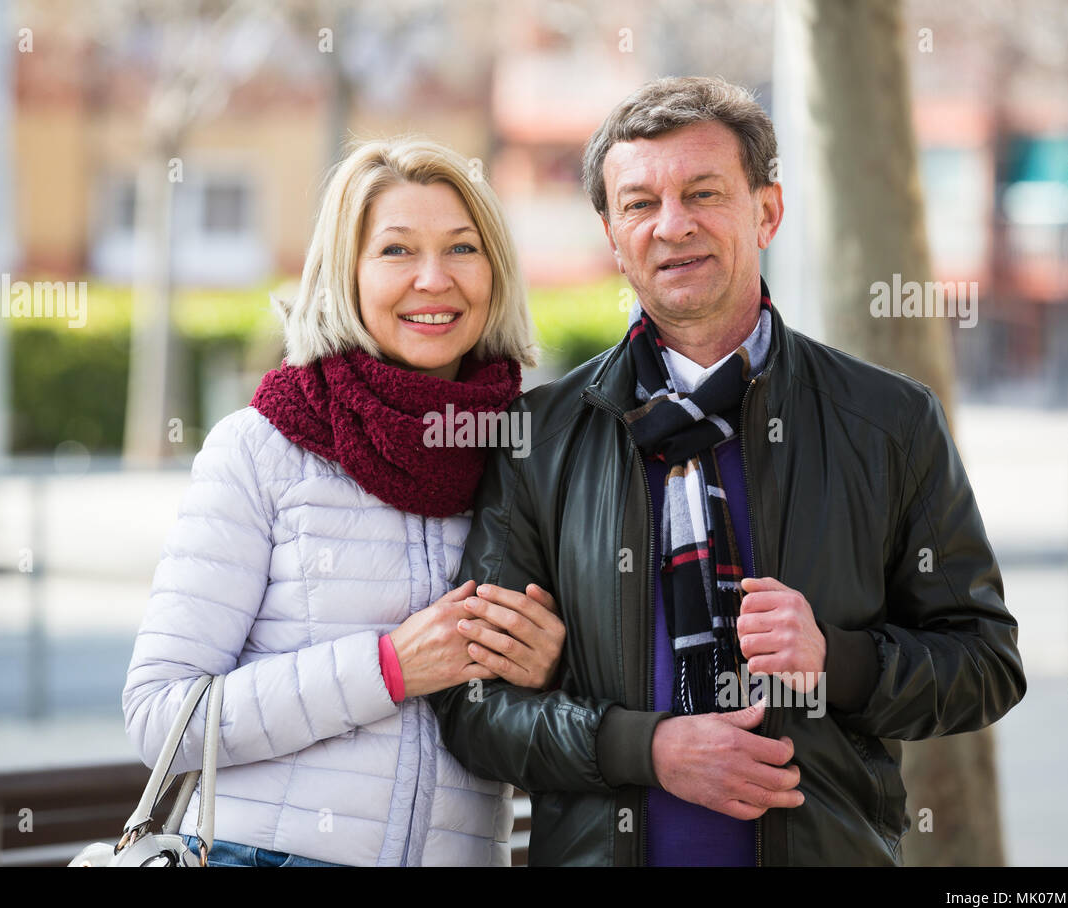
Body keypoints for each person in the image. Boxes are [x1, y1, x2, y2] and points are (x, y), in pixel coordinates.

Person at [429, 76, 1026, 866]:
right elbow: (473, 711)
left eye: (703, 192)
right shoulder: (537, 438)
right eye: (640, 204)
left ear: (767, 211)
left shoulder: (889, 423)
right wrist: (648, 749)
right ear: (613, 235)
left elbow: (985, 664)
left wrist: (836, 658)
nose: (672, 225)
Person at [122, 135, 566, 867]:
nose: (434, 278)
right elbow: (161, 715)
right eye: (395, 251)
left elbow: (551, 729)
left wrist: (551, 670)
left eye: (462, 248)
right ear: (345, 274)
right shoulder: (262, 449)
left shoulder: (530, 452)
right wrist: (388, 668)